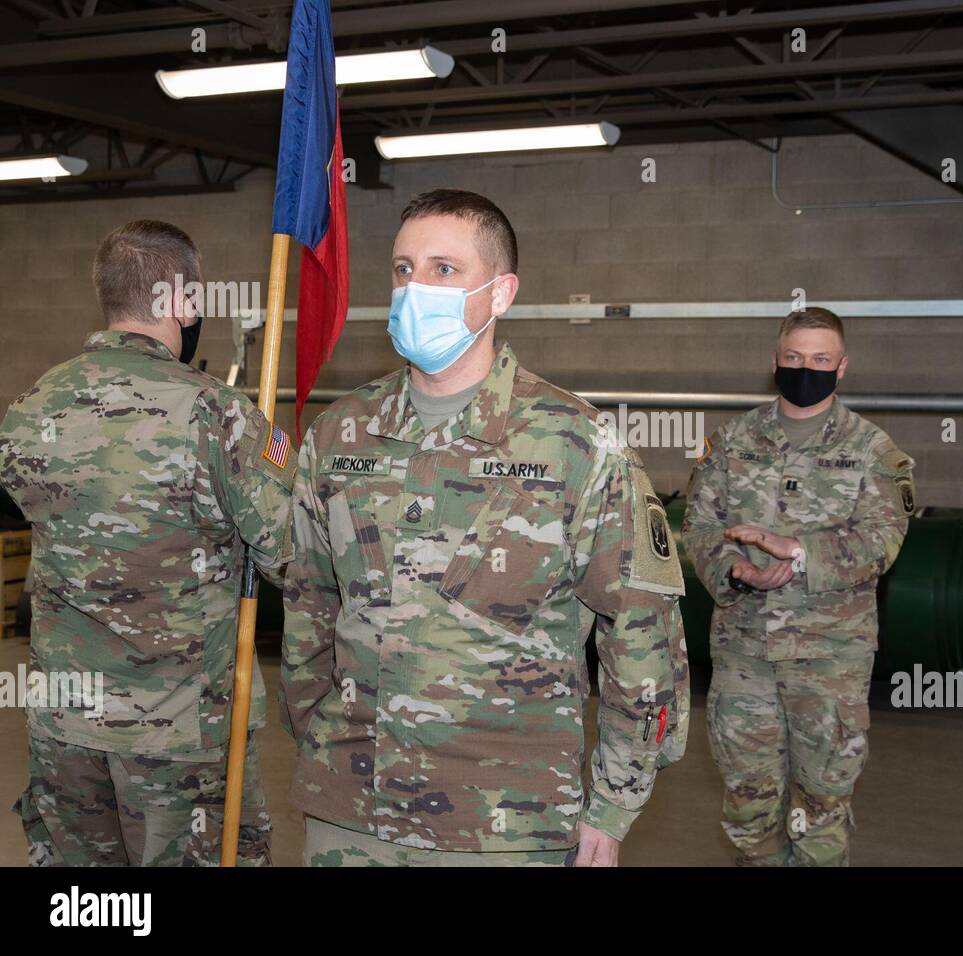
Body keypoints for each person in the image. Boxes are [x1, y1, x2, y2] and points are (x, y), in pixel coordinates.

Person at [280, 188, 689, 867]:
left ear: (501, 293)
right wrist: (322, 739)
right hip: (348, 808)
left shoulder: (577, 443)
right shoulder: (340, 432)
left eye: (444, 270)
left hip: (506, 821)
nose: (416, 288)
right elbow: (308, 607)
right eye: (404, 269)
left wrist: (614, 804)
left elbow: (642, 634)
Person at [0, 220, 293, 866]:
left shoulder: (32, 406)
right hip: (178, 733)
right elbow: (293, 555)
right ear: (181, 301)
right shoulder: (218, 414)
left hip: (63, 726)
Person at [681, 307, 915, 866]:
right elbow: (698, 524)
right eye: (793, 358)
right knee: (748, 803)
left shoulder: (874, 451)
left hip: (829, 659)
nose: (804, 369)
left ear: (841, 367)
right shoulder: (731, 442)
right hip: (744, 653)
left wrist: (801, 552)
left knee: (822, 806)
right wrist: (737, 570)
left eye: (819, 360)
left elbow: (884, 540)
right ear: (774, 362)